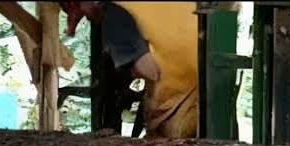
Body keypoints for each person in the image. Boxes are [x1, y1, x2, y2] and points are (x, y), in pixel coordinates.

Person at [61, 1, 198, 138]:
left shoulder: (114, 17)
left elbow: (151, 72)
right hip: (204, 69)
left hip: (184, 91)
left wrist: (132, 70)